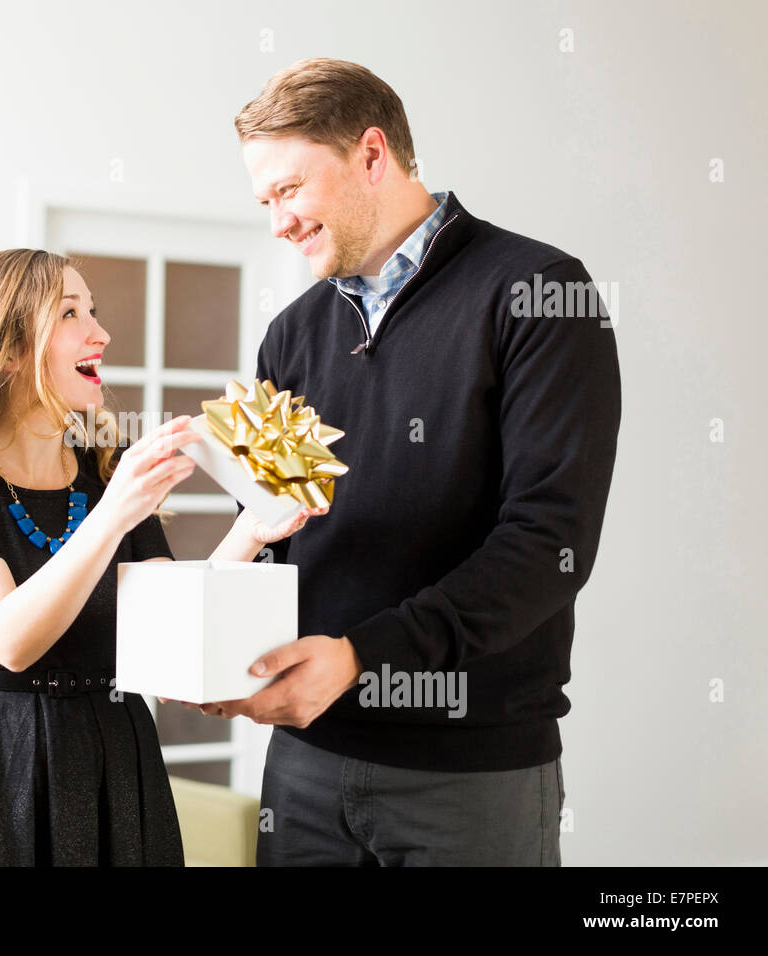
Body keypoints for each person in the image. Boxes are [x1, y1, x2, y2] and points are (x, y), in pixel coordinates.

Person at [193, 59, 622, 866]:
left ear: (370, 153)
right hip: (304, 763)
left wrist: (360, 659)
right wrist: (223, 646)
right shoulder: (290, 335)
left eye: (289, 189)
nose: (277, 222)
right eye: (264, 202)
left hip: (468, 774)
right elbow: (276, 530)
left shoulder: (538, 293)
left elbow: (547, 543)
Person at [0, 248, 325, 866]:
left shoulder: (102, 470)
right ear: (7, 349)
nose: (101, 332)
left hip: (115, 751)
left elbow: (170, 625)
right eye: (70, 313)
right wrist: (115, 511)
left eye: (94, 309)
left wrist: (256, 528)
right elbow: (9, 638)